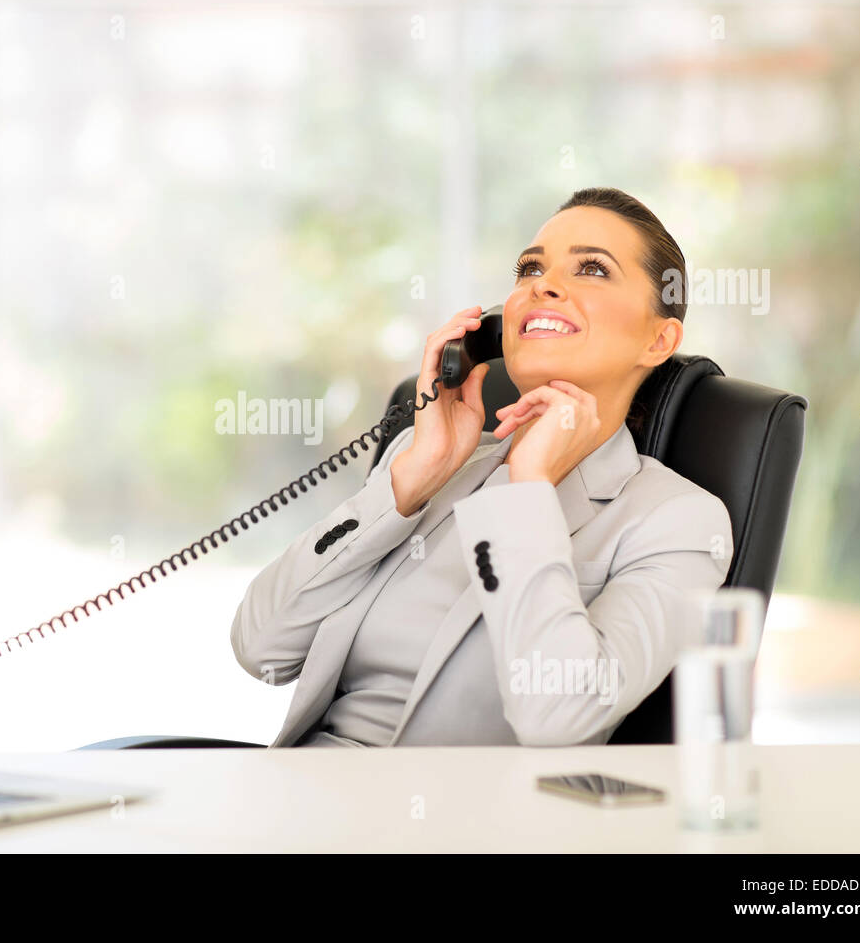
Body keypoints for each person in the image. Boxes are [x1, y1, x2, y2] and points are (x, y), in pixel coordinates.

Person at [231, 186, 734, 747]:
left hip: (462, 828)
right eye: (528, 268)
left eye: (592, 268)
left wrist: (531, 490)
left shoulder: (681, 522)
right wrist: (410, 481)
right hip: (308, 807)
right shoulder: (434, 468)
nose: (541, 285)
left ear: (658, 339)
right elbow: (261, 649)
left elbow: (559, 714)